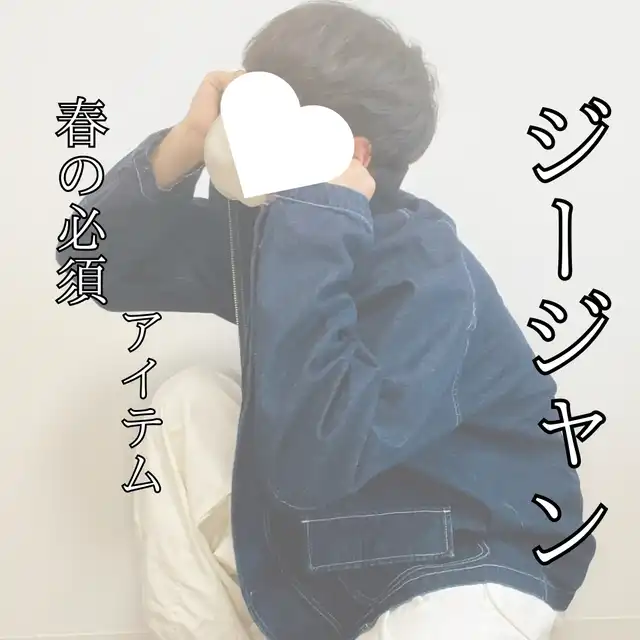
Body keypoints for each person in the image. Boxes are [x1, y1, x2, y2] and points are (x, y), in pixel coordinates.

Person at [56, 1, 595, 638]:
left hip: (469, 555)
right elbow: (94, 266)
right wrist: (183, 145)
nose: (239, 130)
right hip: (348, 542)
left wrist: (319, 217)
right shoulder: (276, 236)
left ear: (348, 149)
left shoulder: (426, 271)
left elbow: (315, 462)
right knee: (185, 405)